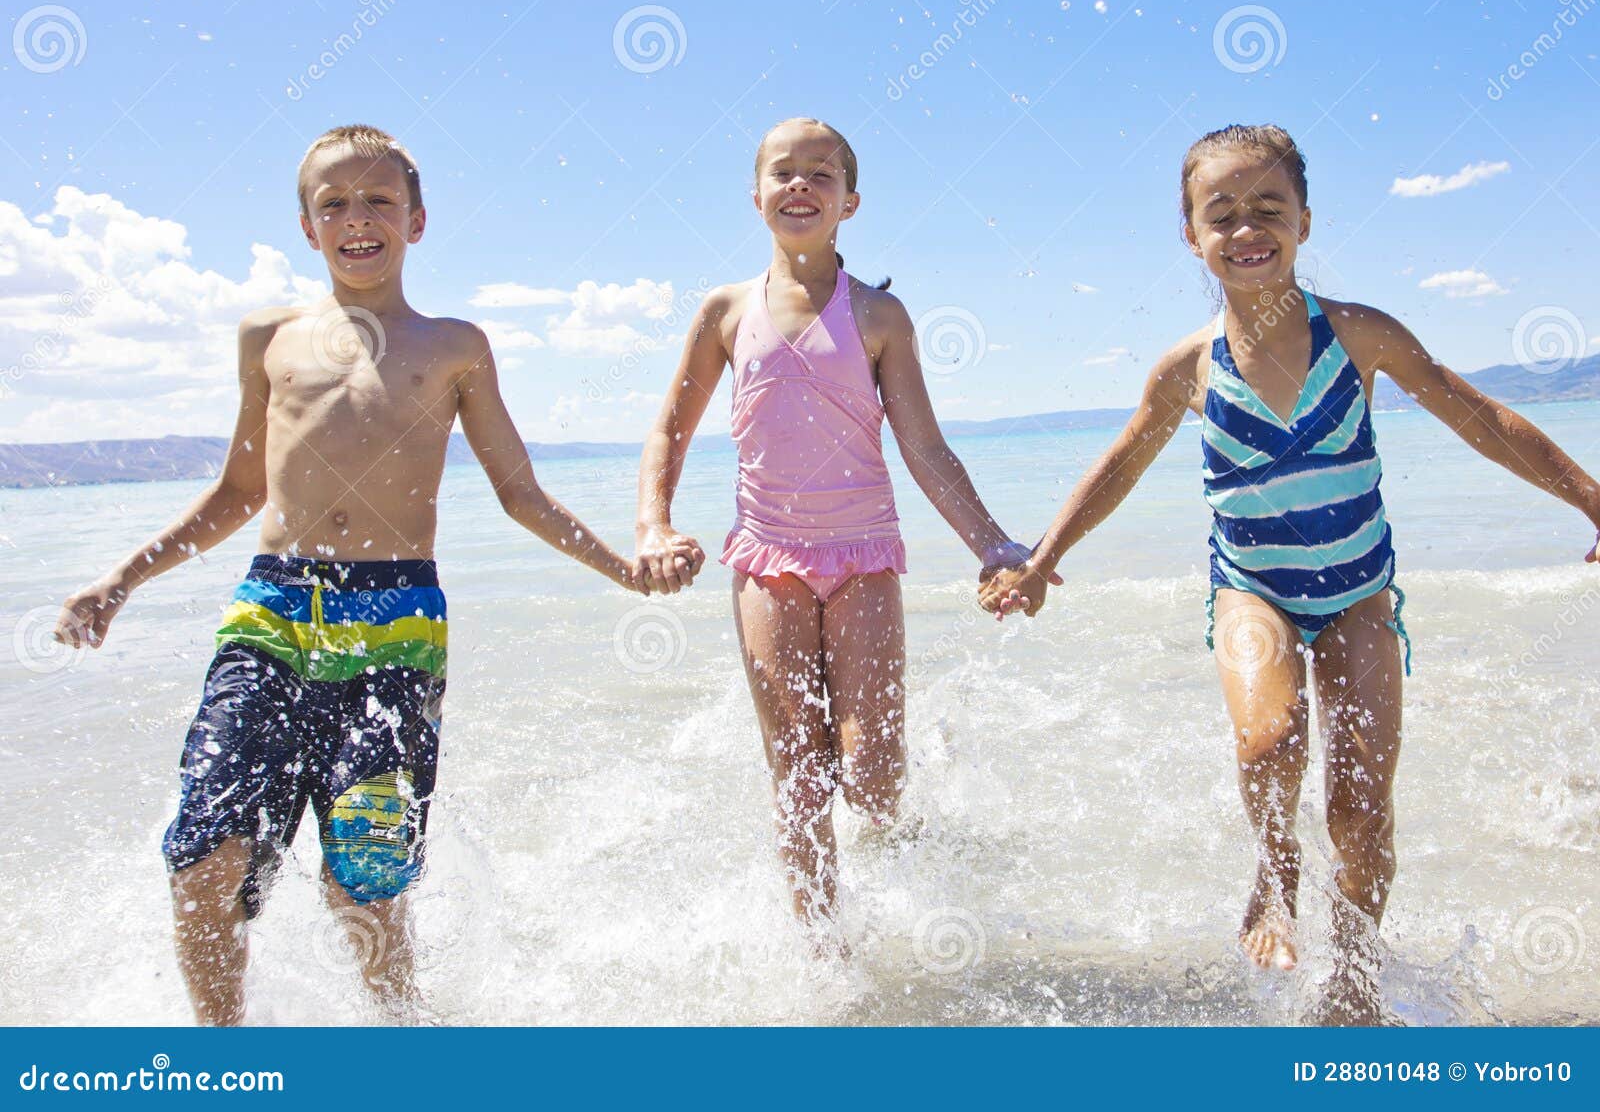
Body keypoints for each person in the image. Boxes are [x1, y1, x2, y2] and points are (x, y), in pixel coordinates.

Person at [980, 123, 1600, 1022]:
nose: (1245, 228)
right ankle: (1277, 867)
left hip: (1358, 595)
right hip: (1253, 589)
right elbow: (1119, 464)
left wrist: (1588, 496)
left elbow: (1479, 417)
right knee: (1270, 742)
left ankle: (1353, 967)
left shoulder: (1361, 336)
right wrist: (1041, 560)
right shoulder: (1188, 368)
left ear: (1305, 219)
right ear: (1190, 235)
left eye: (1267, 207)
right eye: (1219, 213)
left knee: (1359, 802)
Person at [52, 124, 643, 1024]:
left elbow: (519, 491)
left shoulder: (454, 345)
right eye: (334, 203)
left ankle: (395, 1048)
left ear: (417, 221)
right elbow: (237, 491)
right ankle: (226, 1060)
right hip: (272, 611)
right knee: (204, 853)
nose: (356, 219)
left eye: (378, 201)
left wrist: (625, 568)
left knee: (365, 872)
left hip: (397, 623)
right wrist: (121, 579)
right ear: (305, 224)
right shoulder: (270, 337)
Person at [635, 117, 1042, 933]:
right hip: (766, 558)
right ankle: (824, 957)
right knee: (798, 772)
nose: (801, 186)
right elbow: (669, 430)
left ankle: (901, 815)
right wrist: (655, 523)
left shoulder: (880, 315)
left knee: (873, 780)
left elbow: (924, 447)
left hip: (861, 557)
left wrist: (994, 544)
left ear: (850, 202)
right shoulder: (725, 310)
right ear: (755, 196)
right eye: (783, 173)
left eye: (822, 175)